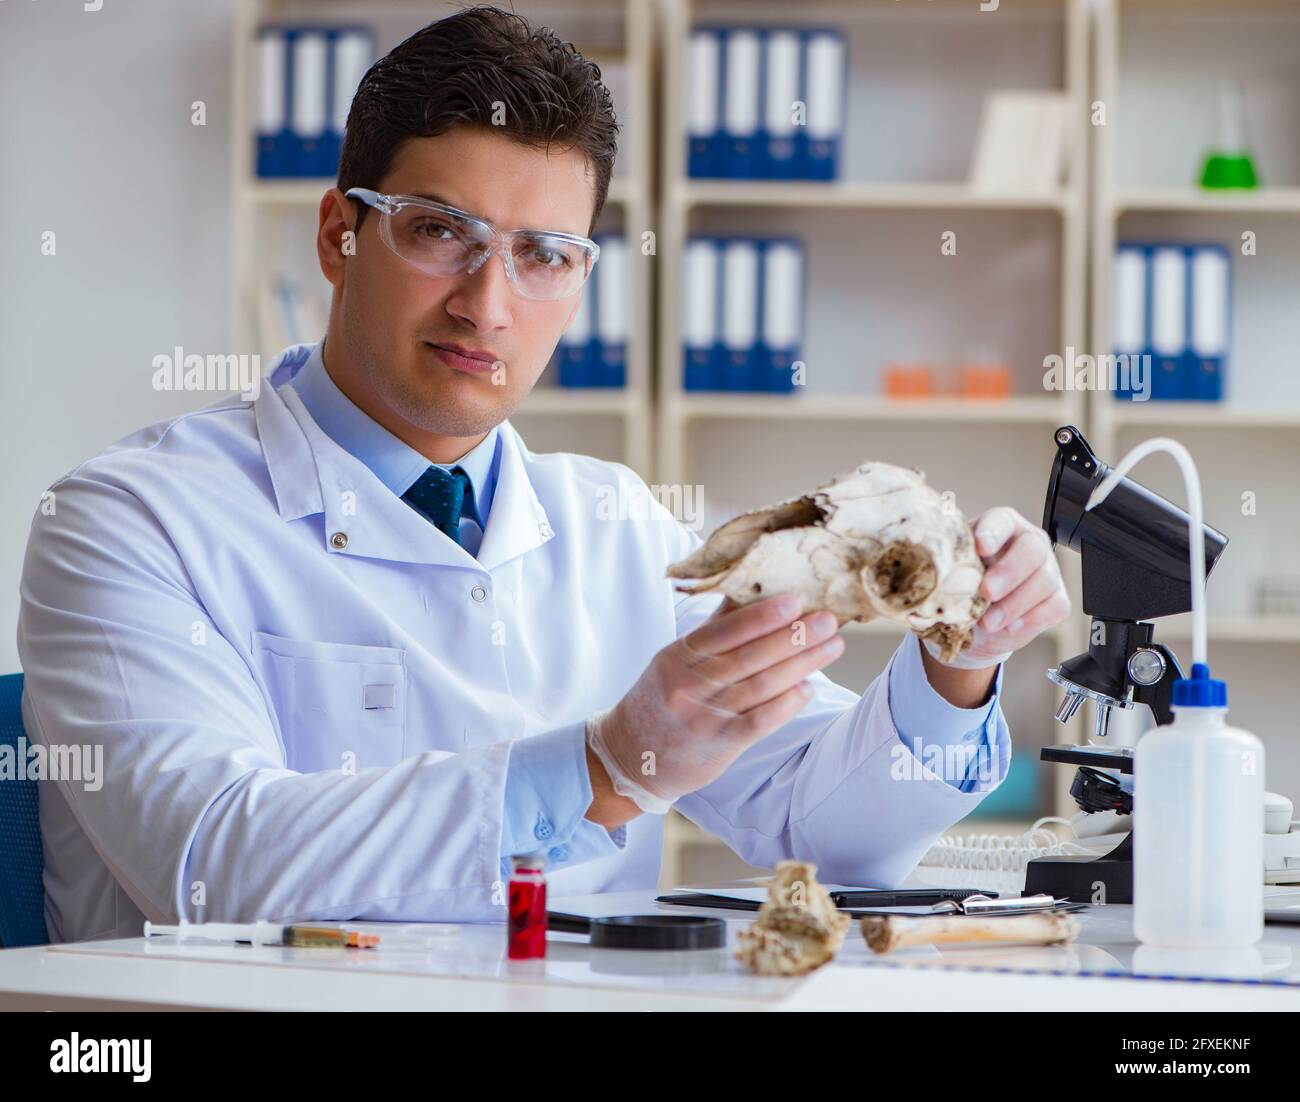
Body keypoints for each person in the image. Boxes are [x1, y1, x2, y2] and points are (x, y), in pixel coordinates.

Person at [17, 6, 1068, 943]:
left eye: (543, 254)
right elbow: (205, 860)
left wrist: (954, 665)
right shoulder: (130, 519)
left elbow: (828, 830)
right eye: (440, 232)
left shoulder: (613, 523)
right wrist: (601, 770)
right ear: (341, 233)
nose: (488, 304)